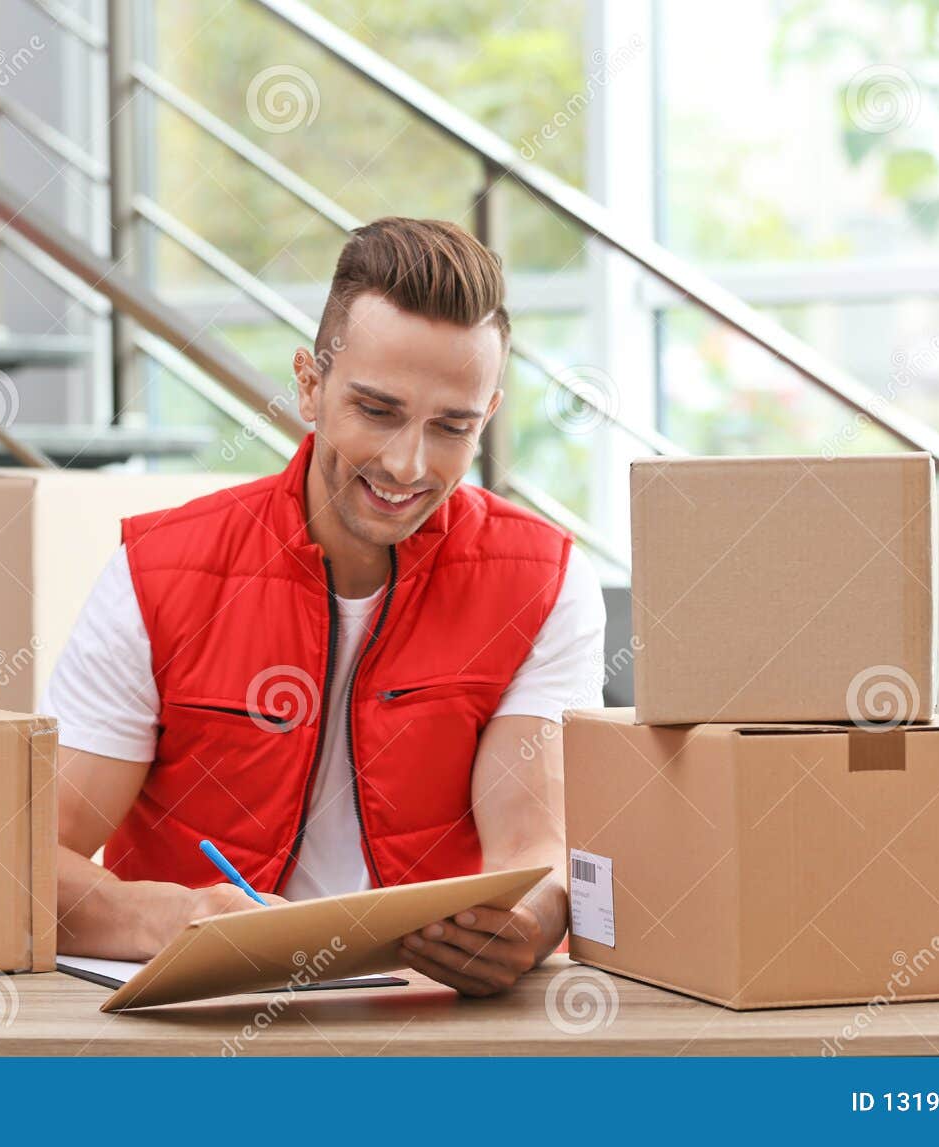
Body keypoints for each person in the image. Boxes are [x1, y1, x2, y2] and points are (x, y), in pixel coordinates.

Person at [45, 216, 605, 996]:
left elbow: (533, 848)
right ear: (309, 385)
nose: (408, 464)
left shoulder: (541, 580)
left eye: (452, 426)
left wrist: (537, 921)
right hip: (201, 1038)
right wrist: (165, 917)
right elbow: (24, 864)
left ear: (489, 415)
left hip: (430, 1034)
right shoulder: (156, 574)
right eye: (377, 411)